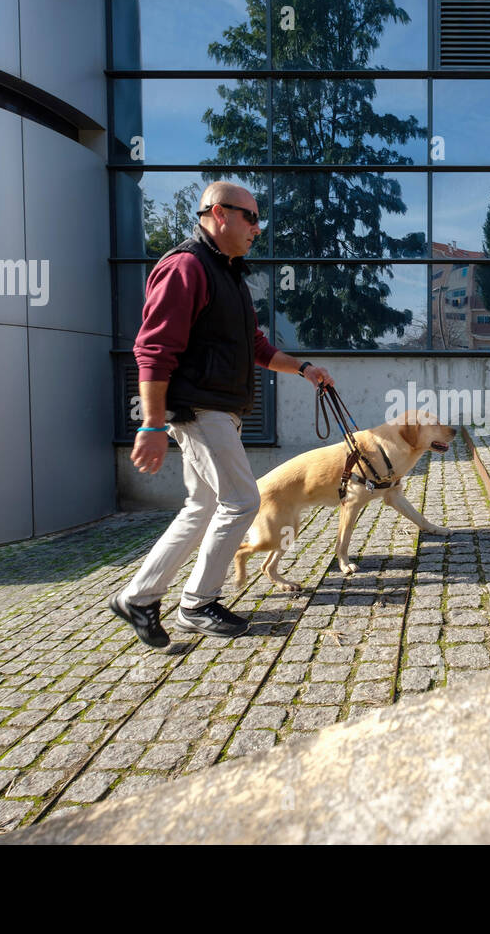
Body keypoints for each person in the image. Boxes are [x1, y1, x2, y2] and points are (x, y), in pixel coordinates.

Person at [109, 181, 333, 648]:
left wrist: (304, 369)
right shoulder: (186, 267)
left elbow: (255, 347)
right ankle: (198, 602)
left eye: (258, 219)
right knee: (243, 500)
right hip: (198, 409)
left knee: (202, 505)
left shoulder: (229, 276)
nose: (258, 227)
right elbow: (152, 349)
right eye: (250, 217)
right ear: (218, 214)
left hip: (219, 411)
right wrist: (150, 424)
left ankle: (139, 596)